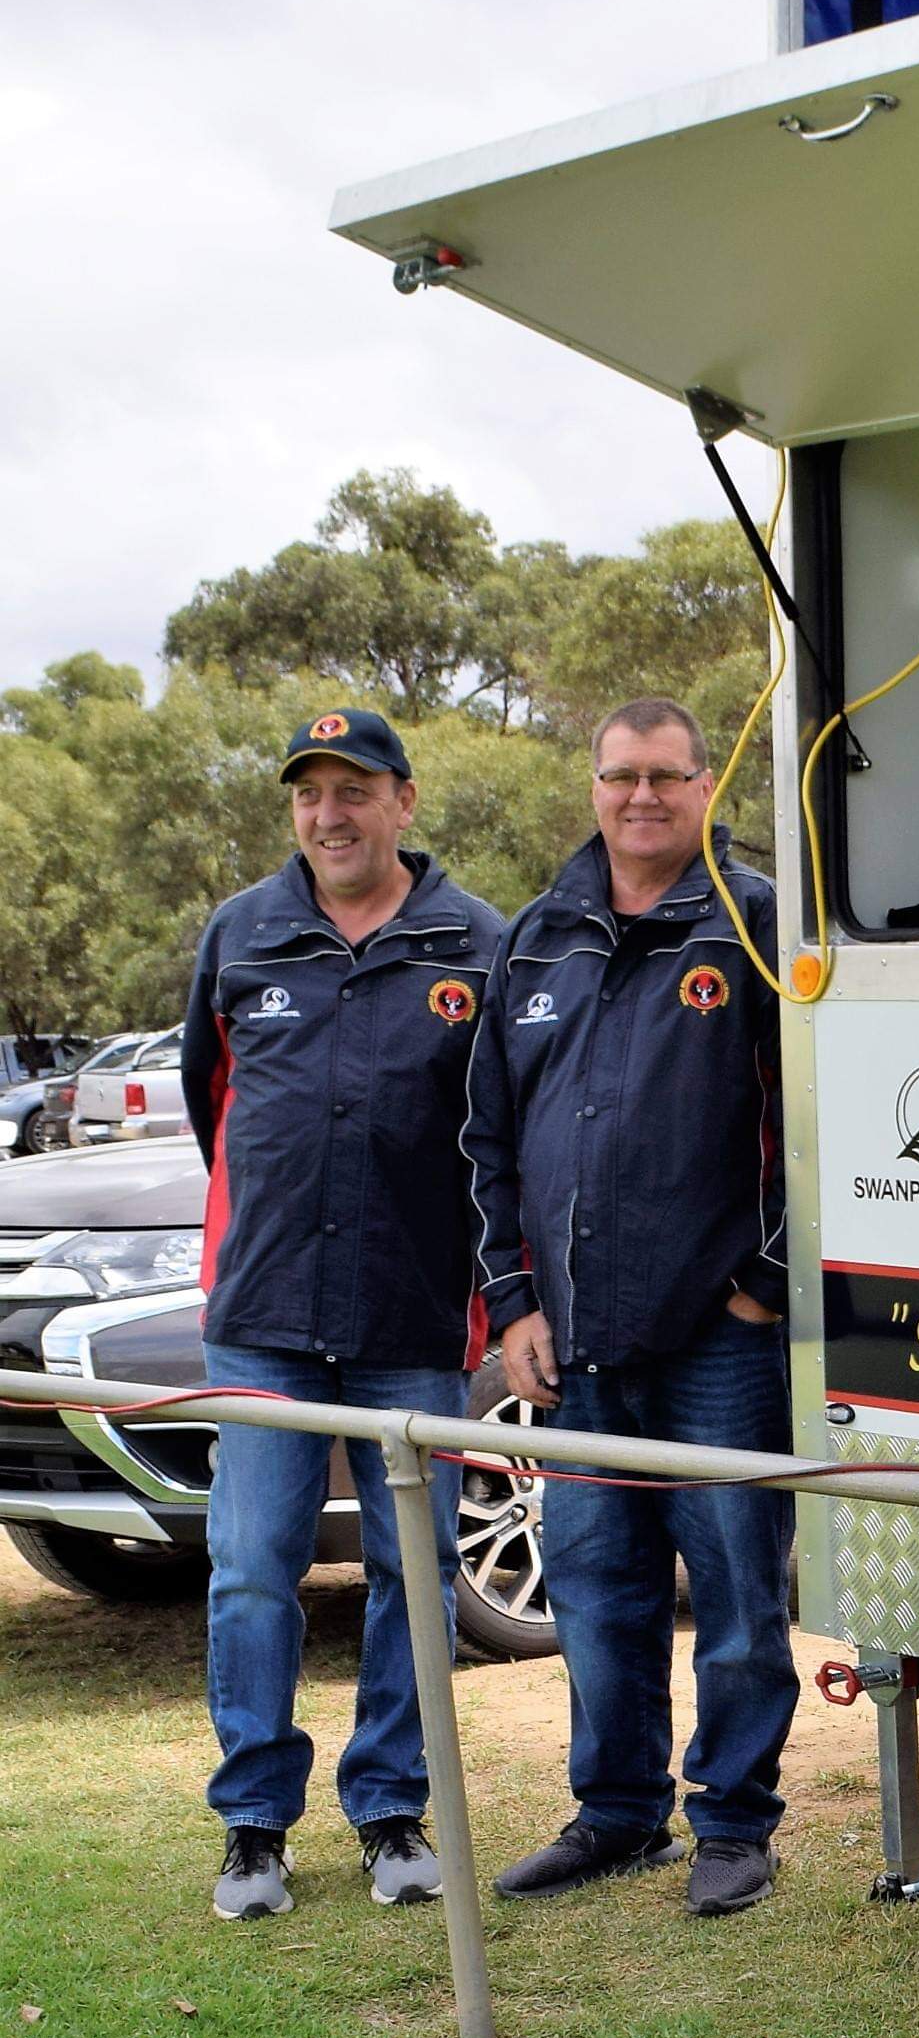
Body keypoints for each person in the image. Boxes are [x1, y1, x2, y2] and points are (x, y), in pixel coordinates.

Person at [465, 696, 794, 1916]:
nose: (641, 797)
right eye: (620, 776)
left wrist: (764, 1285)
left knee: (741, 1603)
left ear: (705, 786)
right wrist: (512, 1304)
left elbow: (812, 1120)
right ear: (591, 787)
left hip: (720, 1340)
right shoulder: (537, 936)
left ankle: (734, 1822)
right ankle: (616, 1817)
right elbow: (486, 1135)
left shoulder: (754, 923)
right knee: (599, 1596)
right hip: (573, 1341)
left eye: (666, 775)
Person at [179, 708, 507, 1920]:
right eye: (310, 793)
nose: (331, 814)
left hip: (414, 1320)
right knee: (252, 1572)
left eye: (355, 789)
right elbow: (217, 1105)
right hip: (262, 1314)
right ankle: (254, 1825)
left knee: (408, 1572)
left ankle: (391, 1809)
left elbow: (498, 1137)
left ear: (404, 802)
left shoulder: (477, 941)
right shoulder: (241, 934)